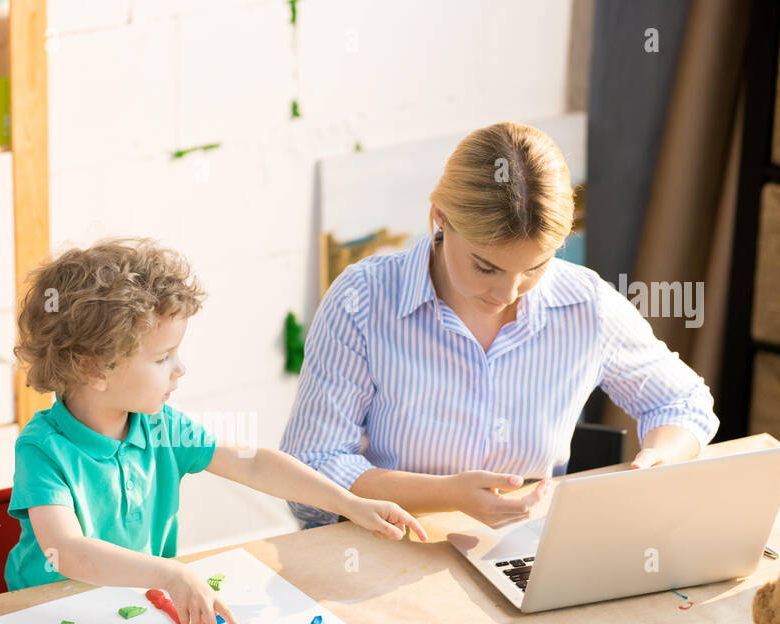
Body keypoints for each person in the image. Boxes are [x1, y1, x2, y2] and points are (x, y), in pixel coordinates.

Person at [281, 121, 719, 529]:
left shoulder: (587, 304)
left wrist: (657, 459)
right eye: (485, 267)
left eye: (535, 267)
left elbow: (684, 404)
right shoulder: (364, 299)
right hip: (393, 548)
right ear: (440, 219)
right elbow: (308, 474)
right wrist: (447, 495)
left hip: (524, 552)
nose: (509, 295)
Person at [5, 239, 426, 624]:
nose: (180, 369)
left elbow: (252, 463)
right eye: (161, 358)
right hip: (44, 615)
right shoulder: (44, 448)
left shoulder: (162, 427)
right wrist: (171, 573)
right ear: (94, 368)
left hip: (130, 606)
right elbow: (69, 551)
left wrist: (349, 503)